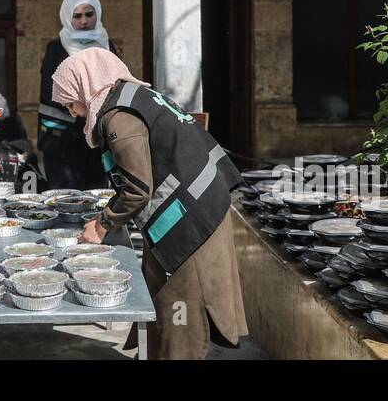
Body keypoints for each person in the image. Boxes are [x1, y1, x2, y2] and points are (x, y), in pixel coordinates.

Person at [51, 47, 248, 360]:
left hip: (192, 220)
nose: (72, 113)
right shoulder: (132, 96)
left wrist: (102, 225)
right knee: (159, 295)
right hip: (198, 204)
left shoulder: (118, 117)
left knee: (181, 309)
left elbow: (138, 188)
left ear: (85, 88)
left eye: (70, 102)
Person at [38, 0, 115, 190]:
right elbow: (50, 90)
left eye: (89, 14)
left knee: (97, 193)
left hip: (97, 135)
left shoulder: (107, 45)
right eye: (77, 16)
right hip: (62, 139)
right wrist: (81, 104)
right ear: (67, 17)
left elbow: (117, 81)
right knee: (65, 196)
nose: (84, 21)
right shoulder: (57, 48)